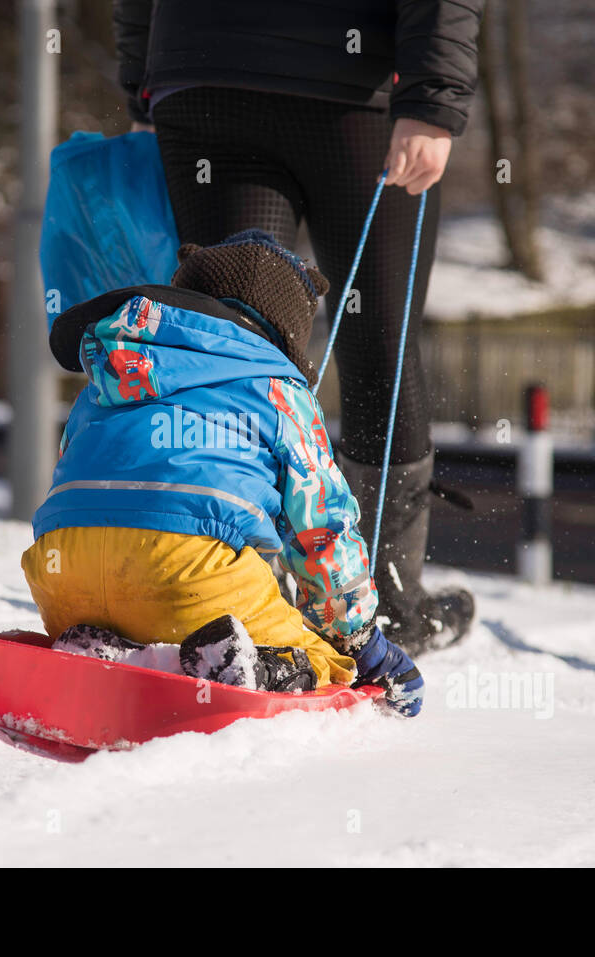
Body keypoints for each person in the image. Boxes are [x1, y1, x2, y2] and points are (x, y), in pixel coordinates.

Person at [112, 0, 485, 655]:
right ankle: (384, 600)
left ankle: (232, 589)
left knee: (227, 354)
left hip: (201, 74)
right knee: (378, 349)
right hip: (351, 87)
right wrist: (433, 98)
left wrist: (144, 78)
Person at [21, 230, 424, 715]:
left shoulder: (111, 372)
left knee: (143, 592)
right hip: (189, 576)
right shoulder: (278, 391)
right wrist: (361, 641)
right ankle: (254, 668)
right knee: (325, 658)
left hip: (61, 573)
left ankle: (108, 650)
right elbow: (321, 527)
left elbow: (75, 470)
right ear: (285, 329)